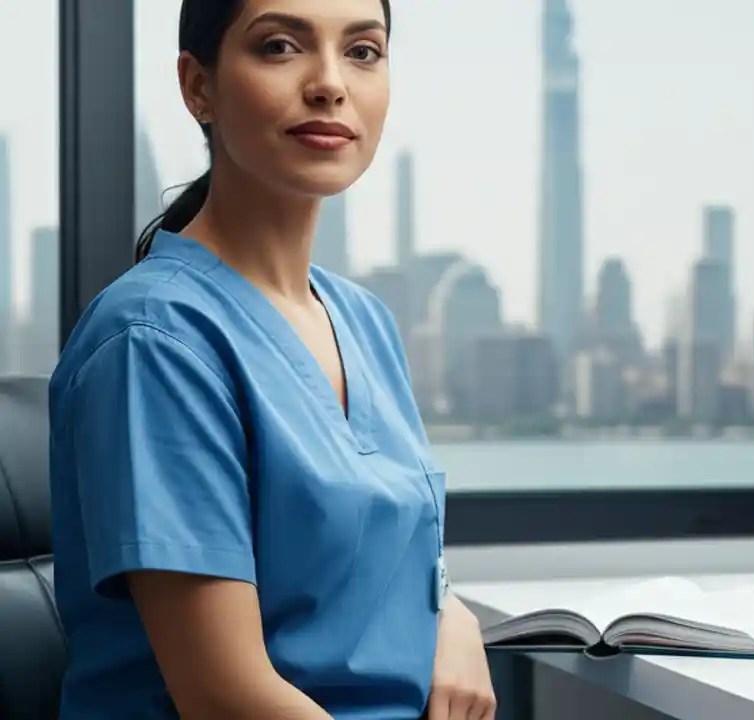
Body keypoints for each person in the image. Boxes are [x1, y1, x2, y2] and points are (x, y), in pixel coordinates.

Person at [47, 1, 496, 717]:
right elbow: (226, 697)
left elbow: (399, 567)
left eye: (364, 51)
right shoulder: (155, 340)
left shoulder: (364, 321)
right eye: (281, 46)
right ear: (199, 86)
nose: (329, 83)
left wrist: (455, 618)